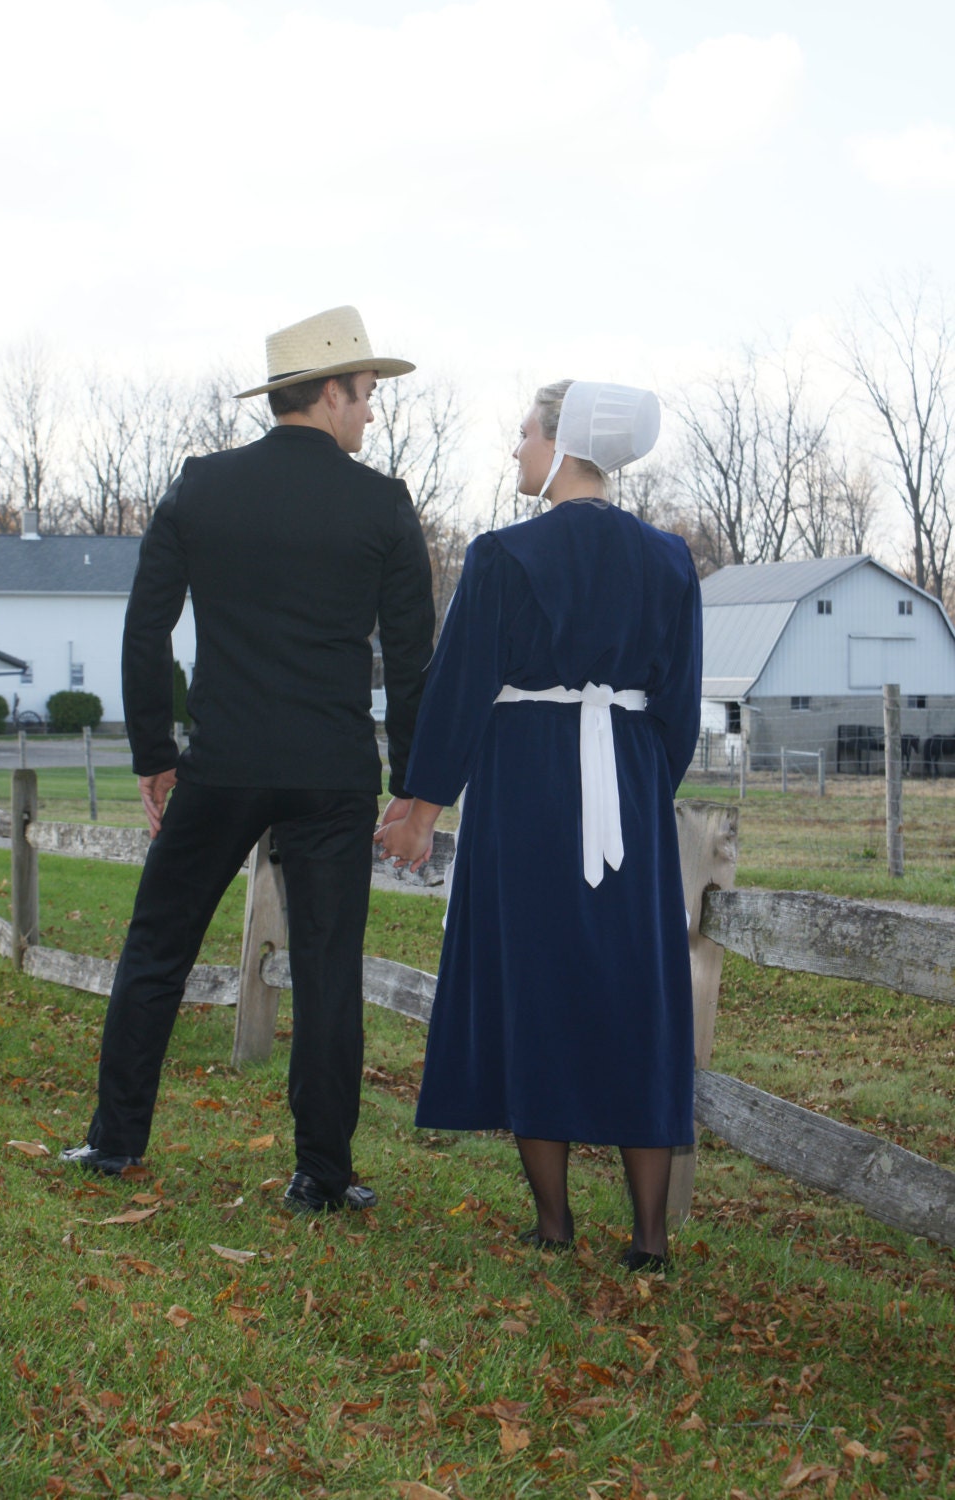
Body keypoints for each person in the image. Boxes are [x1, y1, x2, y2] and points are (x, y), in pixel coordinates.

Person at [62, 306, 435, 1217]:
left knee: (155, 947)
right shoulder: (382, 504)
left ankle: (114, 1144)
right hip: (332, 772)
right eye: (368, 394)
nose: (373, 415)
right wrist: (415, 783)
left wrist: (156, 751)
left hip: (222, 762)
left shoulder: (201, 486)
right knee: (328, 967)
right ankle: (322, 1175)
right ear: (330, 392)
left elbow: (146, 626)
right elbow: (414, 654)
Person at [376, 379, 702, 1270]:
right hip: (627, 801)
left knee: (535, 990)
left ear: (564, 446)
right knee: (636, 998)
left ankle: (555, 1225)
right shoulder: (671, 560)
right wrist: (636, 788)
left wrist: (419, 807)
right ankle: (648, 1235)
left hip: (525, 795)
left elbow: (458, 691)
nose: (516, 451)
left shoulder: (501, 556)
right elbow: (677, 712)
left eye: (524, 434)